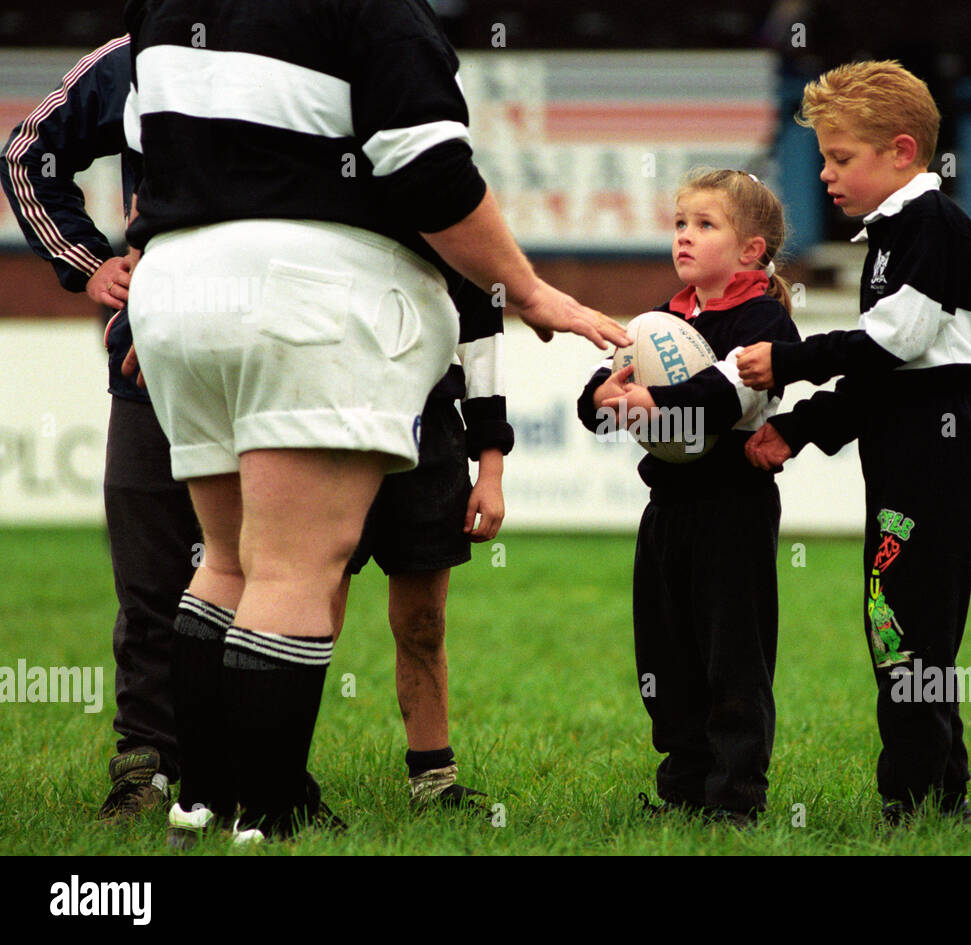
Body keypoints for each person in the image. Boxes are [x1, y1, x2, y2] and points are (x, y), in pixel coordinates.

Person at [123, 0, 628, 843]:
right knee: (290, 568)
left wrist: (166, 278)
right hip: (307, 288)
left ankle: (198, 805)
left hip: (175, 283)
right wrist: (529, 289)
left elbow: (152, 156)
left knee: (228, 560)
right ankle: (267, 819)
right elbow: (427, 167)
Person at [736, 61, 971, 826]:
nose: (823, 174)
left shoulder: (933, 227)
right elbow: (886, 375)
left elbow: (896, 342)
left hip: (937, 441)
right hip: (909, 432)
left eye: (840, 157)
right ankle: (937, 793)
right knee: (900, 615)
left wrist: (789, 362)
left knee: (903, 618)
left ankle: (914, 802)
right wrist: (803, 425)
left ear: (903, 152)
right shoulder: (891, 234)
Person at [1, 34, 200, 822]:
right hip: (148, 361)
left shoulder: (310, 39)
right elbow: (26, 152)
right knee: (151, 581)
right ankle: (145, 766)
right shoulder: (132, 55)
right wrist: (90, 263)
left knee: (271, 570)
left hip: (268, 354)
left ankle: (253, 772)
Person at [578, 169, 799, 827]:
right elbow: (602, 398)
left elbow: (731, 393)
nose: (685, 237)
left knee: (733, 655)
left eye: (705, 225)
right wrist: (600, 397)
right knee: (666, 655)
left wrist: (656, 400)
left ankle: (734, 798)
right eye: (680, 224)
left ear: (752, 249)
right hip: (666, 508)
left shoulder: (764, 318)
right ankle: (683, 786)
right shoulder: (663, 318)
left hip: (732, 507)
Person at [338, 274, 510, 811]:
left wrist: (491, 474)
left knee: (423, 623)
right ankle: (274, 782)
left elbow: (483, 360)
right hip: (332, 426)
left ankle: (433, 781)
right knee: (308, 614)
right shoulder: (337, 207)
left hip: (430, 436)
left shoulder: (463, 234)